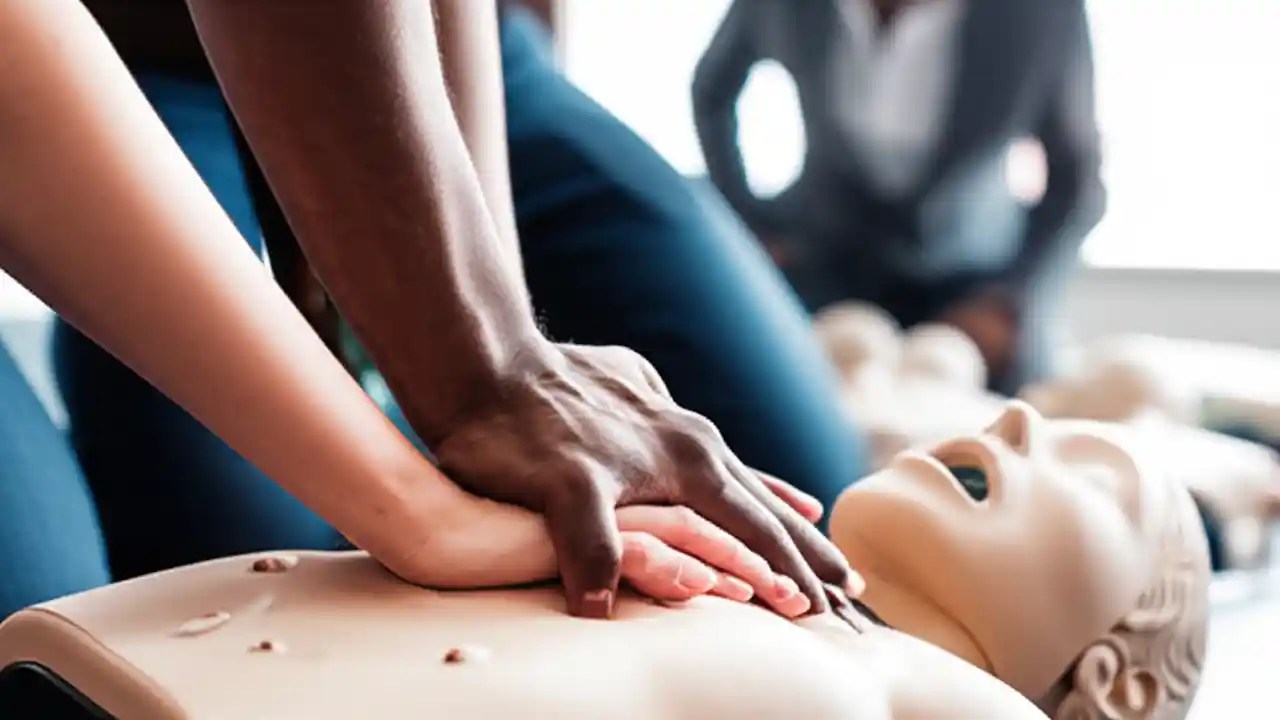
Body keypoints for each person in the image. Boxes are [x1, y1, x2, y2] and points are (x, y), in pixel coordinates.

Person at [0, 0, 858, 621]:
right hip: (95, 57)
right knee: (163, 593)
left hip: (430, 56)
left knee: (810, 495)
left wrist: (499, 349)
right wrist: (424, 499)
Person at [0, 403, 1209, 719]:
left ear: (1116, 686)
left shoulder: (934, 698)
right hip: (88, 658)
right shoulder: (716, 544)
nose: (1011, 421)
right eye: (1034, 414)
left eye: (1087, 475)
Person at [693, 0, 1106, 392]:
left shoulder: (1042, 11)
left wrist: (1011, 300)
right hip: (820, 259)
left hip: (971, 280)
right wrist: (750, 226)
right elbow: (713, 92)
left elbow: (1075, 181)